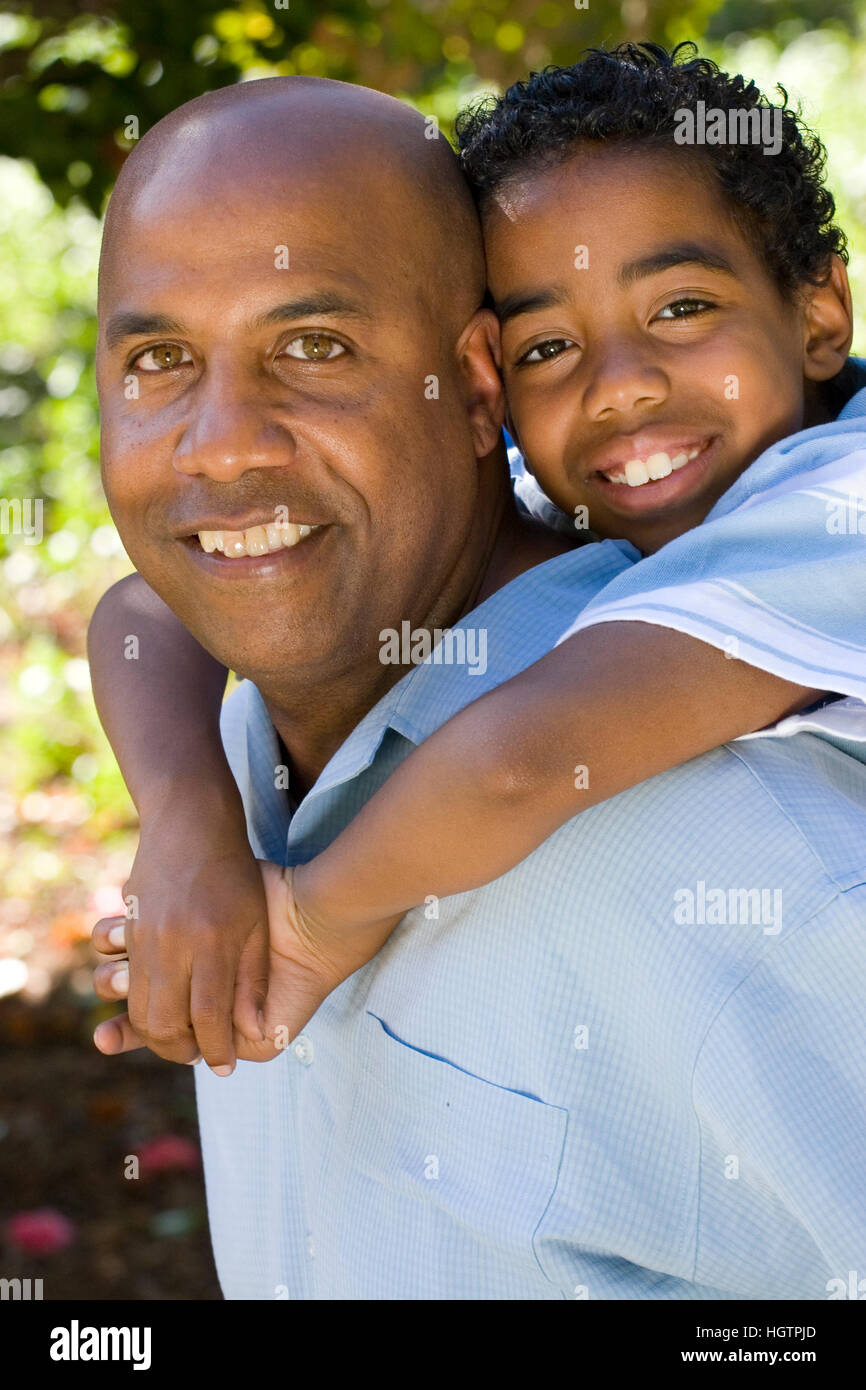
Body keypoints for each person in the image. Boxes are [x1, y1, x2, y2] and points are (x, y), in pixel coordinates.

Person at [90, 70, 866, 1299]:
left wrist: (310, 920)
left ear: (469, 385)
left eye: (312, 344)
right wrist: (185, 819)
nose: (222, 441)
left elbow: (520, 763)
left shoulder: (721, 835)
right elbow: (137, 610)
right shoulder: (253, 728)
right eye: (160, 356)